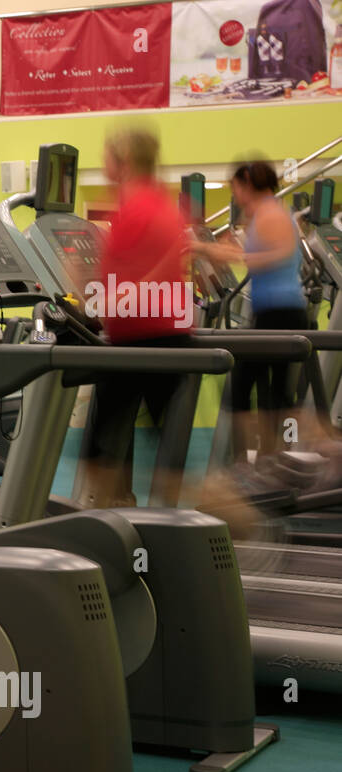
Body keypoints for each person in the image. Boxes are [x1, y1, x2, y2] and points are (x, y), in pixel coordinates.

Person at [78, 126, 193, 507]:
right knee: (161, 459)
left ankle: (112, 516)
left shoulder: (135, 208)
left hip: (141, 342)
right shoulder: (159, 201)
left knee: (98, 452)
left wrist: (76, 283)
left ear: (121, 160)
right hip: (163, 337)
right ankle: (125, 513)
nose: (103, 163)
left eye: (106, 155)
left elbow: (111, 291)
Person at [191, 161, 310, 461]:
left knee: (247, 389)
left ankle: (258, 460)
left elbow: (264, 259)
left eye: (235, 188)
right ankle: (272, 458)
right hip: (275, 311)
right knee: (269, 391)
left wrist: (213, 250)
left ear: (247, 184)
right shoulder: (269, 214)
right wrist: (221, 251)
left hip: (278, 313)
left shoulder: (271, 215)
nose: (235, 195)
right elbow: (257, 256)